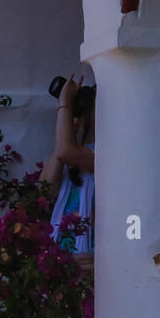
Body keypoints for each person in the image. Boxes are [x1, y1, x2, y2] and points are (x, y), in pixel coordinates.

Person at [40, 74, 96, 253]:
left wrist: (64, 104)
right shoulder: (69, 157)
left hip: (91, 254)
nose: (79, 118)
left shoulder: (106, 153)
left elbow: (66, 152)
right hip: (64, 255)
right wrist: (68, 129)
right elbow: (45, 190)